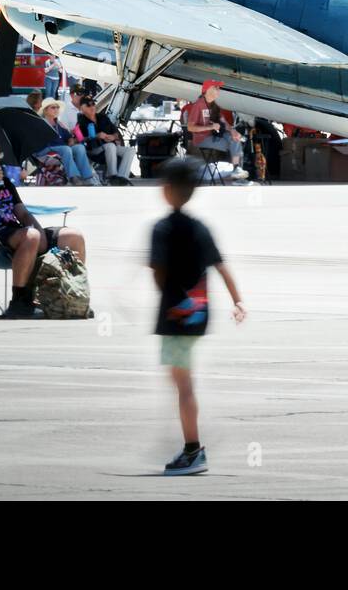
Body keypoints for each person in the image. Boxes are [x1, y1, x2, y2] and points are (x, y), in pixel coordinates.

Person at [150, 157, 246, 475]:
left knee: (184, 385)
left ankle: (193, 450)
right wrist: (238, 301)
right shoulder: (200, 227)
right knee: (182, 380)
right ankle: (191, 447)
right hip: (198, 312)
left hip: (176, 313)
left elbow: (159, 274)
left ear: (167, 191)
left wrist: (167, 295)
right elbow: (221, 266)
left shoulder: (162, 228)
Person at [0, 135, 88, 319]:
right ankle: (19, 301)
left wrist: (39, 230)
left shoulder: (5, 181)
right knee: (31, 236)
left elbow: (22, 213)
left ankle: (74, 295)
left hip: (17, 231)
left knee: (74, 236)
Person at [181, 80, 244, 174]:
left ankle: (237, 170)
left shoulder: (214, 105)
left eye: (219, 88)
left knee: (235, 140)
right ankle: (237, 171)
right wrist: (210, 127)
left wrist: (232, 131)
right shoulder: (198, 105)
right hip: (202, 139)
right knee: (235, 145)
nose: (219, 90)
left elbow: (223, 121)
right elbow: (190, 127)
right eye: (216, 88)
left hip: (213, 136)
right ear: (208, 90)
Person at [75, 96, 136, 185]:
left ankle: (122, 177)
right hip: (93, 149)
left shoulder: (103, 117)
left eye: (93, 104)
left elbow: (115, 132)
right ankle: (111, 176)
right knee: (110, 146)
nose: (92, 107)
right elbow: (79, 139)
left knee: (130, 150)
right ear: (82, 108)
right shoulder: (80, 122)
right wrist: (96, 136)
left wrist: (113, 137)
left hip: (109, 147)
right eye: (88, 105)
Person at [37, 98, 98, 186]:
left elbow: (68, 137)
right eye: (53, 108)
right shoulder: (41, 123)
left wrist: (70, 140)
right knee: (65, 149)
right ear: (45, 111)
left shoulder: (59, 123)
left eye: (57, 108)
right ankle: (74, 177)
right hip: (46, 149)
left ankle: (87, 177)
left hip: (62, 148)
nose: (56, 110)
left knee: (80, 147)